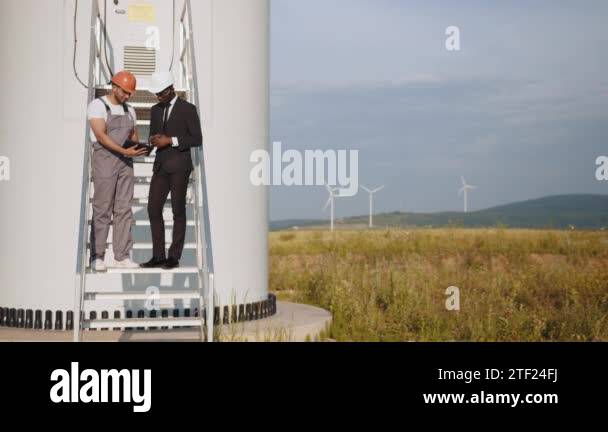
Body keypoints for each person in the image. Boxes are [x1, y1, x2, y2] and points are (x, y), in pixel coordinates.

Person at [141, 71, 203, 270]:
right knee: (153, 209)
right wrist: (151, 141)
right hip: (160, 166)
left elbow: (197, 139)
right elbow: (153, 134)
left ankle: (173, 257)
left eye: (160, 93)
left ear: (171, 89)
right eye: (156, 94)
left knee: (178, 211)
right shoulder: (155, 110)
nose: (158, 97)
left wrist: (171, 140)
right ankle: (158, 256)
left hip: (179, 167)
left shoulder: (188, 109)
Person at [88, 71, 148, 272]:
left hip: (125, 163)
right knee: (103, 208)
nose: (128, 96)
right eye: (125, 92)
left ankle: (121, 255)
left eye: (130, 93)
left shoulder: (130, 110)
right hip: (105, 160)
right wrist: (123, 150)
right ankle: (97, 256)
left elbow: (133, 135)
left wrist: (140, 147)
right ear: (114, 86)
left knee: (123, 209)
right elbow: (101, 136)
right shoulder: (98, 105)